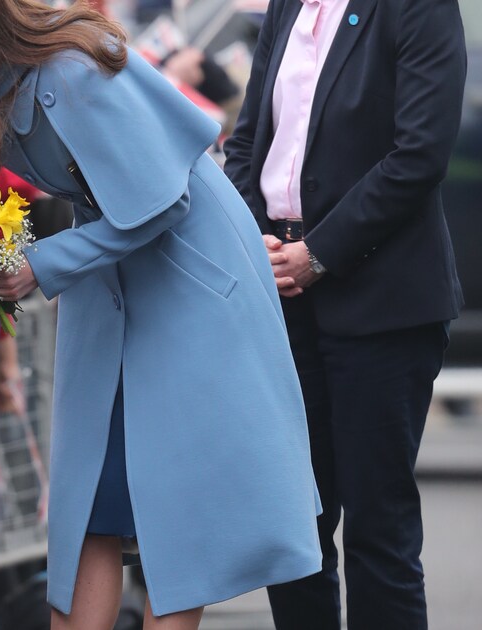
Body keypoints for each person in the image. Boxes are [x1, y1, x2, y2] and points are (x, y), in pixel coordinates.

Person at [0, 1, 324, 628]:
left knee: (182, 511)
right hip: (114, 272)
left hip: (191, 277)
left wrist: (37, 264)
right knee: (91, 504)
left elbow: (164, 202)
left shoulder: (67, 68)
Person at [222, 1, 467, 629]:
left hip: (380, 298)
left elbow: (418, 156)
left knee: (375, 529)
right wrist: (260, 240)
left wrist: (318, 254)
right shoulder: (287, 6)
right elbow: (249, 140)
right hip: (283, 289)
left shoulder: (415, 7)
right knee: (293, 530)